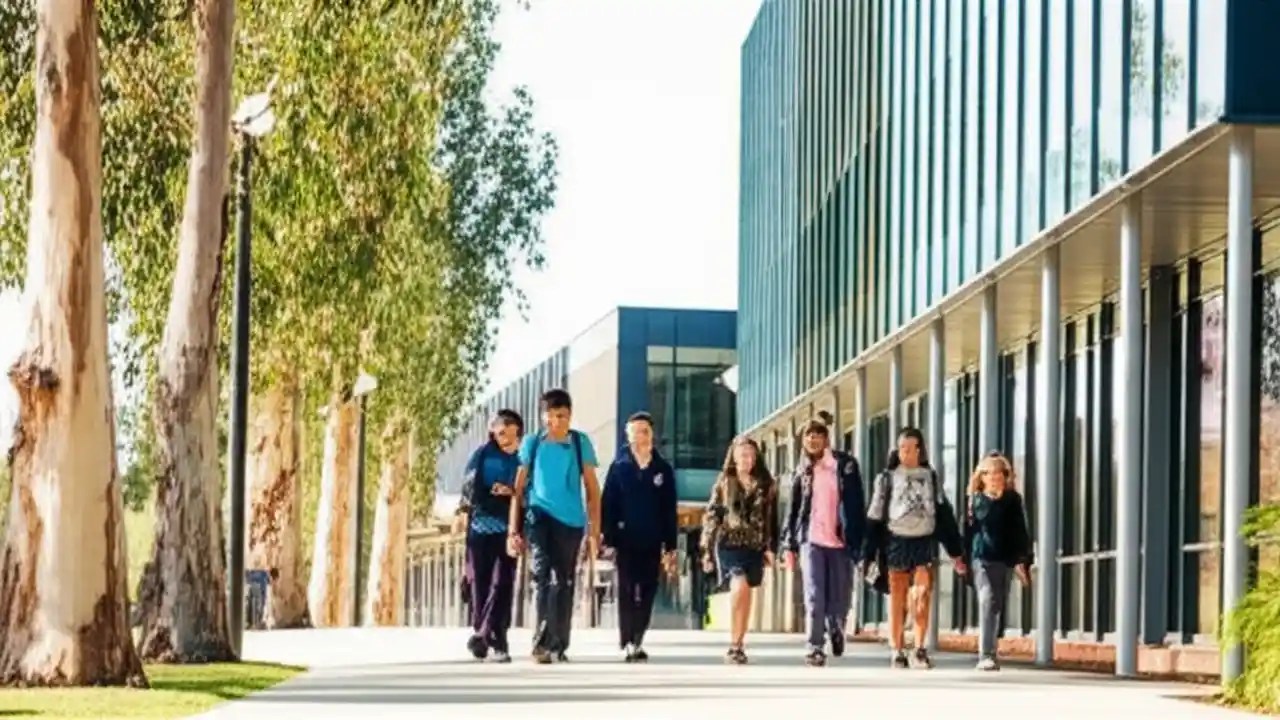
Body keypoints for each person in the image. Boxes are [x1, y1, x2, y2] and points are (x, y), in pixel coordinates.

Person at [507, 389, 602, 664]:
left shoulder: (580, 443)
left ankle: (559, 642)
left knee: (563, 581)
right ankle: (541, 642)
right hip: (539, 516)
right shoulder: (532, 443)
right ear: (542, 416)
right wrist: (513, 530)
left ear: (570, 417)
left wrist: (594, 530)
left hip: (571, 521)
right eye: (550, 416)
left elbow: (593, 490)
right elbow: (519, 487)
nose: (555, 421)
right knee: (541, 576)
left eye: (561, 416)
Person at [861, 426, 966, 669]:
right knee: (898, 598)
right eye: (901, 448)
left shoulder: (930, 476)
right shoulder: (886, 478)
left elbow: (943, 513)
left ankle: (920, 647)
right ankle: (897, 649)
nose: (904, 453)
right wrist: (867, 554)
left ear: (919, 449)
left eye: (909, 448)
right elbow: (875, 516)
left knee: (921, 594)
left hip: (923, 540)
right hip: (896, 541)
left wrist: (956, 550)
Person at [782, 419, 866, 667]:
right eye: (808, 436)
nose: (813, 440)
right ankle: (815, 645)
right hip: (812, 540)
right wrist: (789, 544)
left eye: (818, 435)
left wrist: (859, 541)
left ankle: (836, 626)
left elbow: (857, 505)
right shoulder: (802, 471)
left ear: (826, 439)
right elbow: (793, 509)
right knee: (815, 594)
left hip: (840, 541)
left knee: (839, 597)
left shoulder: (845, 465)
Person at [601, 412, 679, 663]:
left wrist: (671, 545)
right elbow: (608, 504)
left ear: (652, 434)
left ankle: (638, 638)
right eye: (636, 431)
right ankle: (627, 640)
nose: (641, 436)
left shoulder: (662, 469)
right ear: (628, 434)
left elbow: (669, 508)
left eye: (645, 430)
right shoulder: (619, 466)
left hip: (652, 539)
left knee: (647, 589)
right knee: (626, 589)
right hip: (625, 539)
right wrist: (609, 539)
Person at [700, 435, 778, 665]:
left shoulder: (766, 484)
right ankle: (733, 643)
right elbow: (712, 516)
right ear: (734, 457)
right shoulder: (724, 482)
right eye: (743, 455)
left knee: (747, 592)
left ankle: (740, 642)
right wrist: (706, 548)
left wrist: (771, 548)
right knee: (739, 586)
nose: (747, 459)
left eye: (751, 455)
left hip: (754, 547)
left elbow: (772, 519)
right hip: (729, 545)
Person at [453, 409, 523, 663]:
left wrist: (512, 492)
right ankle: (485, 636)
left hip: (508, 530)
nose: (502, 433)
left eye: (507, 428)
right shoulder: (482, 454)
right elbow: (469, 487)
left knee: (502, 585)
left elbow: (529, 491)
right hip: (479, 529)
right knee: (479, 587)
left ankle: (492, 638)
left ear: (518, 429)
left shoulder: (523, 458)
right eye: (498, 429)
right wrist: (462, 513)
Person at [963, 451, 1034, 671]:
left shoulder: (1013, 500)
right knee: (987, 598)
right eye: (989, 473)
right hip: (981, 557)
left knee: (997, 603)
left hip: (1005, 559)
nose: (995, 477)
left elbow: (1019, 531)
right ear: (981, 477)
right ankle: (986, 654)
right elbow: (969, 529)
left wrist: (1023, 559)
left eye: (999, 473)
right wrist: (961, 559)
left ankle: (991, 649)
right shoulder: (976, 501)